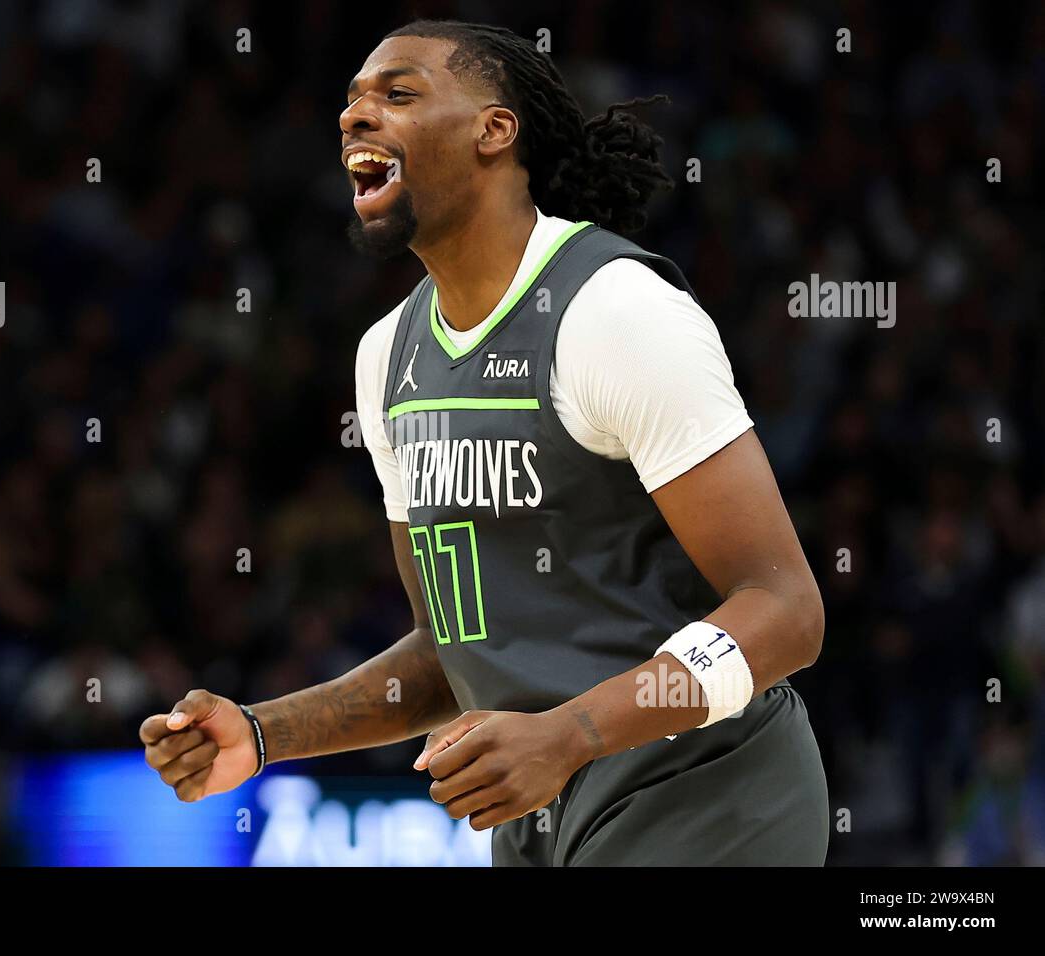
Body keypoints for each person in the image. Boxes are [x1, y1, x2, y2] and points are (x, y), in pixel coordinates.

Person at [140, 19, 829, 866]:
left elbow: (787, 612)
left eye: (397, 94)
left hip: (709, 790)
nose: (356, 116)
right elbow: (460, 648)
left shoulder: (614, 311)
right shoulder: (386, 357)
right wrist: (262, 733)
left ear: (494, 131)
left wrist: (569, 734)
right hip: (535, 803)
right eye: (351, 101)